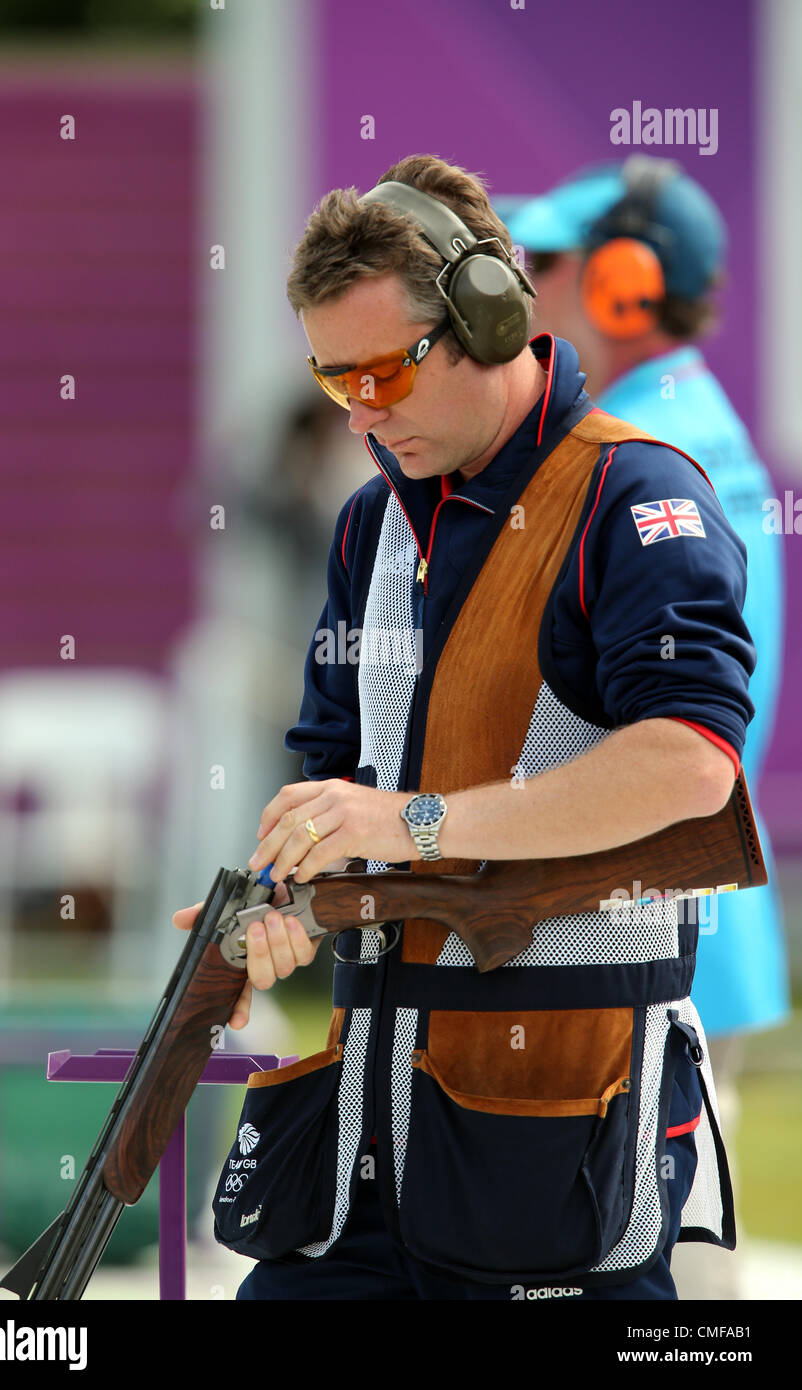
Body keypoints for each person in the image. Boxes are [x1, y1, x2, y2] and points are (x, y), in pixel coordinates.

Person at [174, 154, 756, 1300]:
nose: (363, 413)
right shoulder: (367, 529)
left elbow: (690, 761)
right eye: (336, 383)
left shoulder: (633, 499)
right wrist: (279, 900)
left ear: (489, 320)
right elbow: (335, 776)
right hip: (364, 1143)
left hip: (562, 1150)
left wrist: (415, 821)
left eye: (386, 372)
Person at [503, 156, 790, 1299]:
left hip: (638, 909)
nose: (524, 285)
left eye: (549, 263)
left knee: (651, 1260)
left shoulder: (642, 453)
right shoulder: (683, 433)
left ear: (621, 285)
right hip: (668, 899)